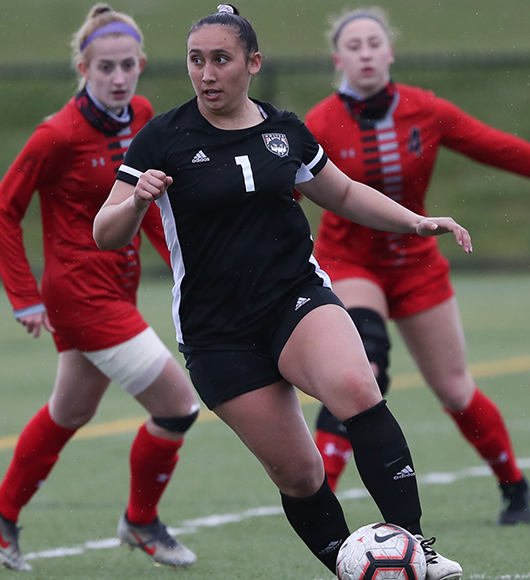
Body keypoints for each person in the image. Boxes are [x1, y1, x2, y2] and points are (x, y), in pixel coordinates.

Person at [94, 6, 470, 580]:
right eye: (196, 60)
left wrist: (415, 222)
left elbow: (343, 193)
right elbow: (105, 233)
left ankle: (416, 547)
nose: (207, 74)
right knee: (298, 473)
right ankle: (353, 568)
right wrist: (137, 199)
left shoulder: (284, 130)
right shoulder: (162, 139)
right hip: (217, 334)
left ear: (253, 63)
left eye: (221, 59)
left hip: (294, 299)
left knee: (357, 388)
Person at [304, 7, 530, 525]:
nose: (365, 53)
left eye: (374, 43)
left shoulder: (425, 109)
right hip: (349, 261)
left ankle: (514, 485)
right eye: (354, 46)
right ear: (337, 59)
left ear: (390, 52)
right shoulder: (320, 122)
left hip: (416, 264)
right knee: (365, 363)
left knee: (455, 389)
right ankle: (322, 501)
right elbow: (278, 192)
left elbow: (499, 148)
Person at [0, 4, 200, 571]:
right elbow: (3, 209)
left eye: (128, 65)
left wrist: (183, 262)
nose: (119, 78)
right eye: (105, 68)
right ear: (83, 69)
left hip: (117, 290)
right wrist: (24, 297)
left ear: (141, 64)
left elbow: (143, 203)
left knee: (70, 410)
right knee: (177, 406)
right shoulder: (57, 135)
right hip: (80, 295)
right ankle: (141, 520)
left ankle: (1, 510)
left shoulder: (141, 114)